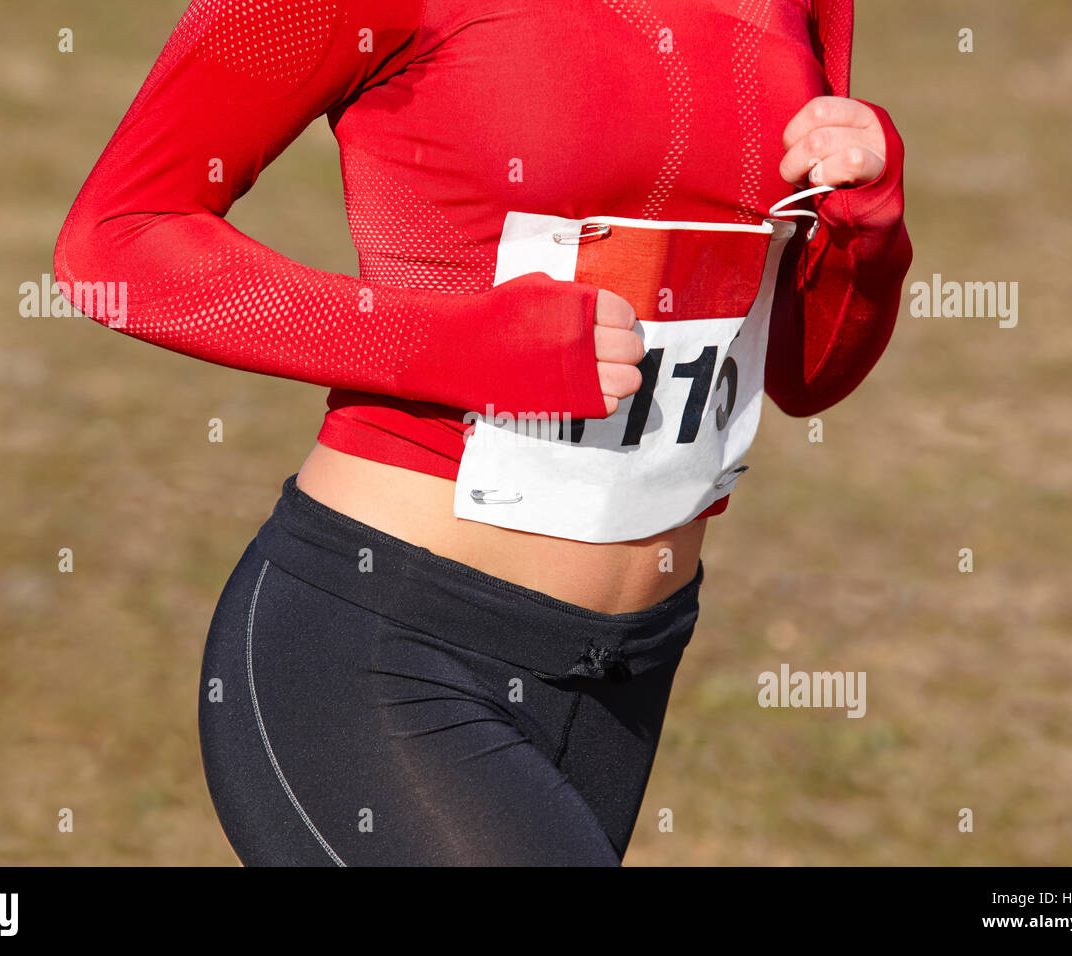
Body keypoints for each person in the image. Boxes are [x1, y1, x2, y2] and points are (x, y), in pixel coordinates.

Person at [54, 0, 912, 865]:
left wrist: (868, 233)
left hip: (628, 671)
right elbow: (118, 241)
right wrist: (463, 348)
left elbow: (807, 376)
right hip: (384, 642)